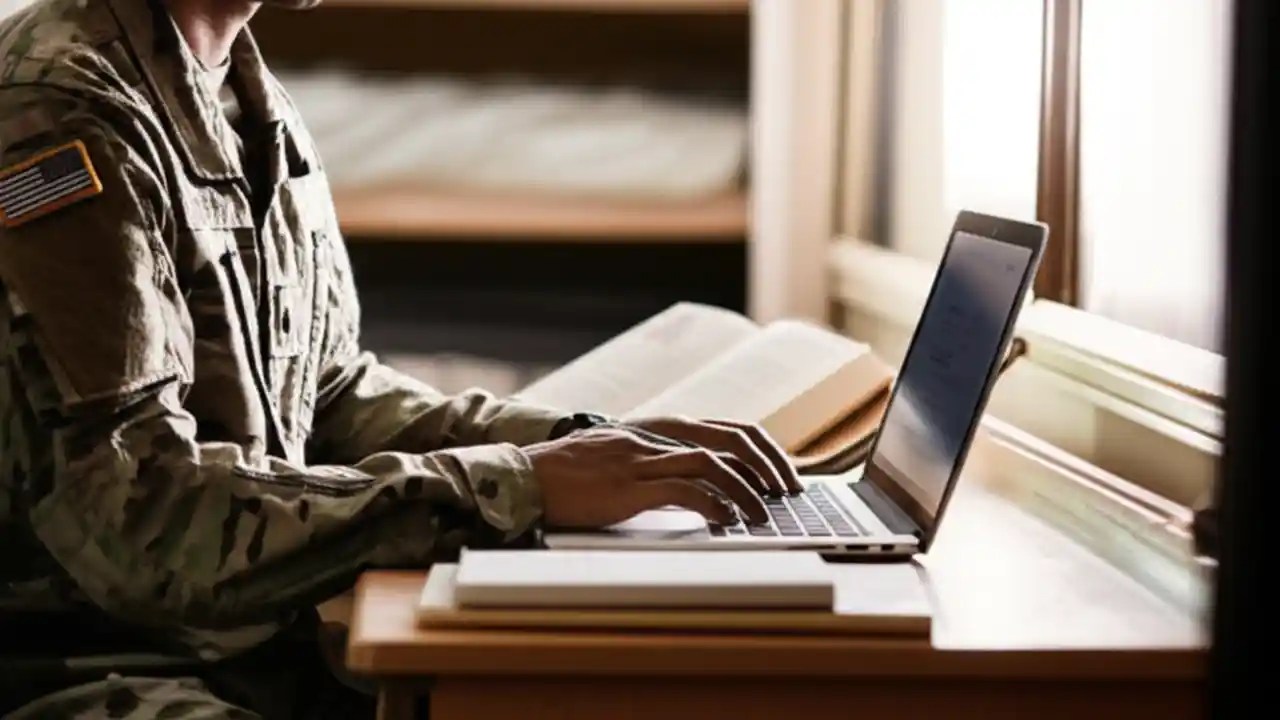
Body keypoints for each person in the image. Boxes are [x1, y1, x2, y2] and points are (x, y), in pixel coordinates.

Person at [0, 0, 799, 716]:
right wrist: (515, 486)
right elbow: (138, 518)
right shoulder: (59, 108)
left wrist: (581, 446)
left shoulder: (242, 90)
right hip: (92, 673)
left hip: (249, 652)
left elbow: (331, 395)